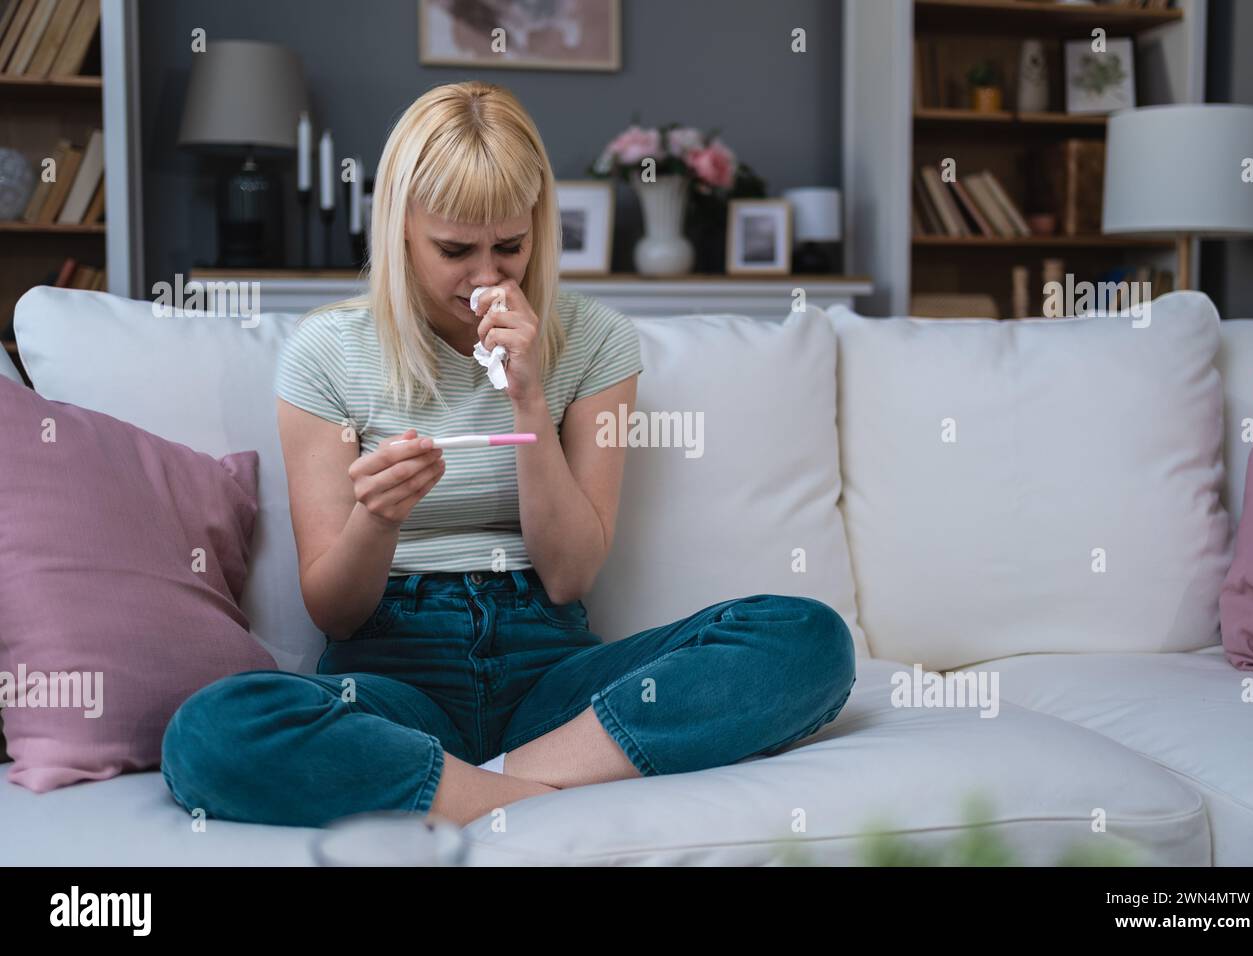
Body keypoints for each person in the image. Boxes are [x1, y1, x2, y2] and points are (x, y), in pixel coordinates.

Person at [160, 80, 856, 830]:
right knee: (208, 733)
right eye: (454, 249)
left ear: (539, 228)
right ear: (399, 230)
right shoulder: (327, 353)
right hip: (395, 680)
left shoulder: (595, 342)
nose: (487, 277)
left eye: (511, 247)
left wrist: (528, 399)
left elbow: (569, 575)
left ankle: (479, 784)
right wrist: (377, 519)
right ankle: (517, 795)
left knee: (808, 639)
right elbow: (334, 609)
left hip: (549, 677)